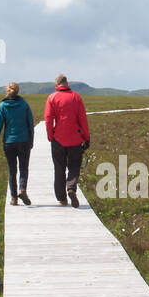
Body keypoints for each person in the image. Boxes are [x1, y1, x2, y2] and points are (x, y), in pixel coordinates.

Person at [44, 74, 90, 208]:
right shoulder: (76, 97)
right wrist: (86, 137)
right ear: (67, 83)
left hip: (58, 138)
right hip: (75, 138)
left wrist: (50, 135)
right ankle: (71, 188)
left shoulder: (52, 97)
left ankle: (62, 198)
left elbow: (48, 119)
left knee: (59, 168)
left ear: (56, 85)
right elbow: (83, 119)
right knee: (74, 166)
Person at [0, 82, 35, 205]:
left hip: (9, 142)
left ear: (7, 91)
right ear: (18, 92)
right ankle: (22, 189)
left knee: (12, 170)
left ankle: (14, 198)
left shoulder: (3, 106)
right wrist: (31, 141)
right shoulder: (24, 104)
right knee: (23, 168)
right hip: (24, 141)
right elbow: (30, 124)